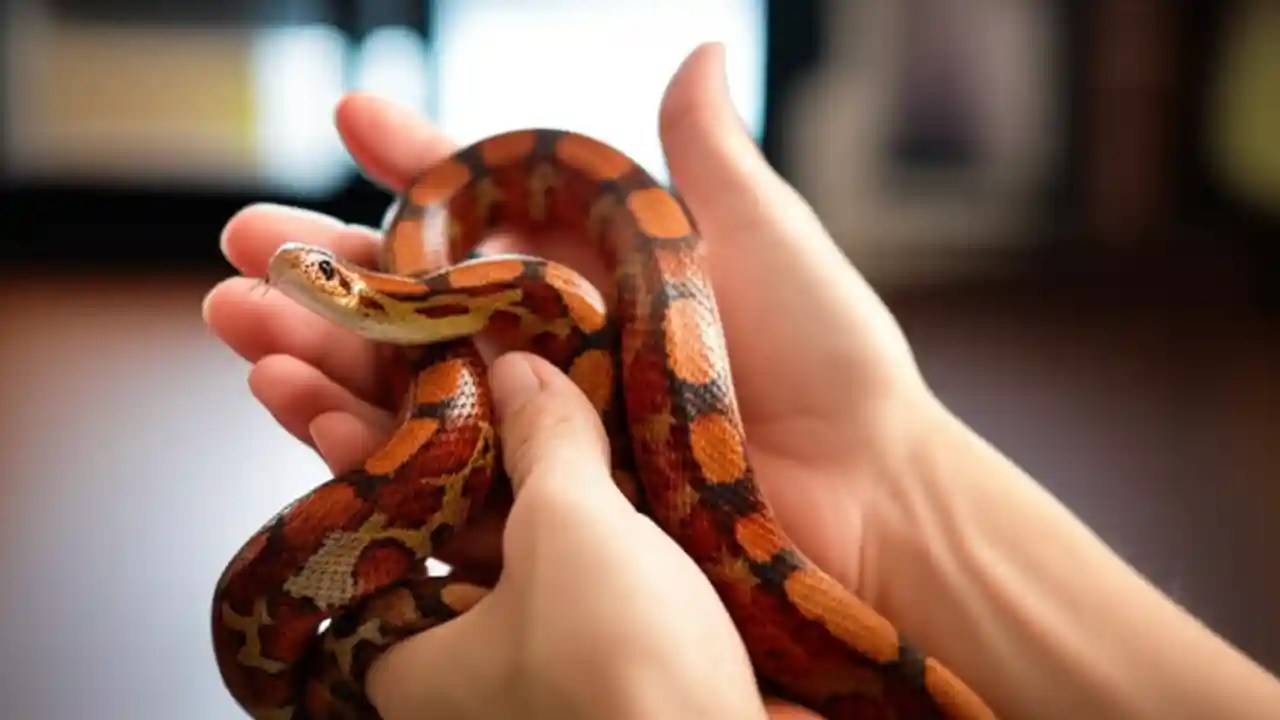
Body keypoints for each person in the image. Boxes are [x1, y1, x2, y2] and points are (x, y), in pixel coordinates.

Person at [201, 42, 1280, 719]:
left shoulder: (473, 318)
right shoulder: (453, 315)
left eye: (336, 277)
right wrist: (897, 484)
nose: (311, 277)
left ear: (376, 290)